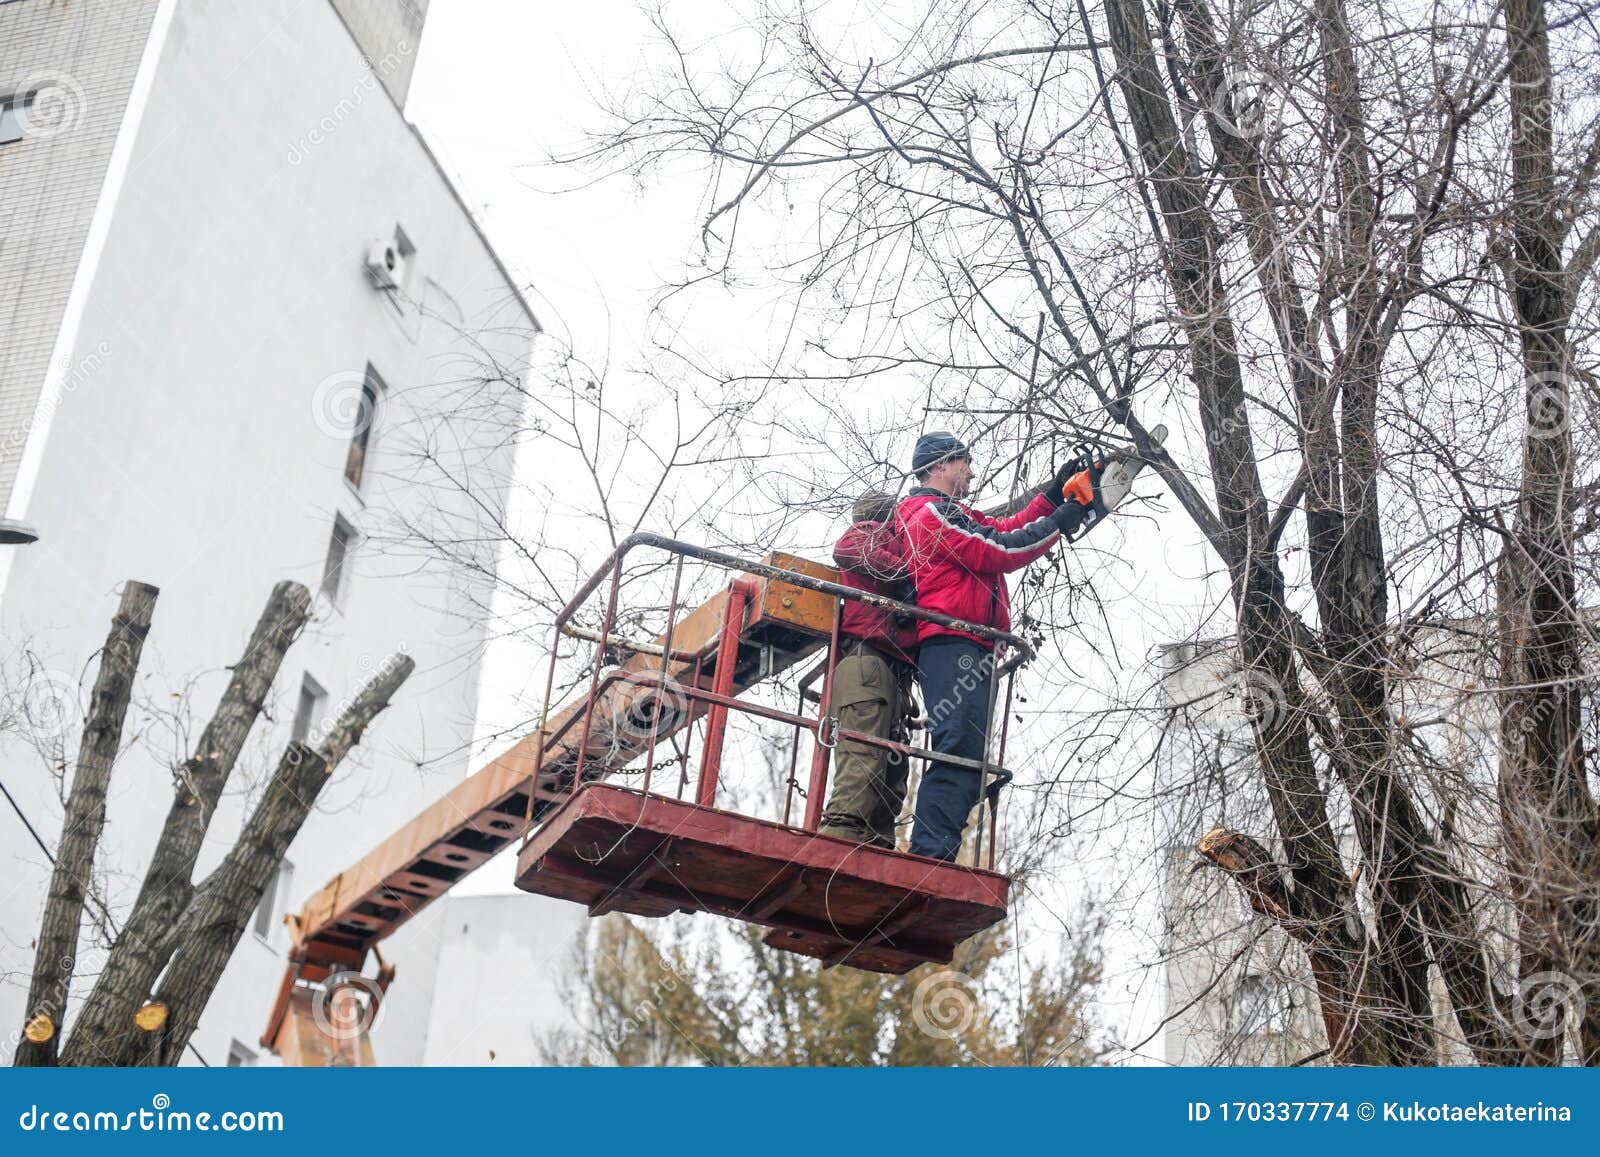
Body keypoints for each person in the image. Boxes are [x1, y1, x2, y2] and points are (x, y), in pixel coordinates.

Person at [895, 432, 1103, 861]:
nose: (971, 472)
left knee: (967, 757)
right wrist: (1062, 521)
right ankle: (931, 859)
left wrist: (1051, 496)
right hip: (955, 643)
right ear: (940, 467)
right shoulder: (929, 515)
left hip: (969, 645)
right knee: (959, 753)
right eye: (964, 464)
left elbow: (1003, 530)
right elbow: (1002, 550)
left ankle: (935, 855)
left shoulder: (948, 513)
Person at [817, 491, 920, 848]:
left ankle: (876, 845)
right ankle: (838, 841)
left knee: (892, 767)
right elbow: (847, 548)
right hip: (867, 664)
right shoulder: (873, 533)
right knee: (863, 755)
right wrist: (908, 573)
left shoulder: (904, 545)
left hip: (892, 674)